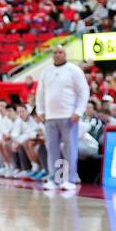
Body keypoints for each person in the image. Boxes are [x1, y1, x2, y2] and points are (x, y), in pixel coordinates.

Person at [35, 45, 89, 191]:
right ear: (52, 55)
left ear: (65, 54)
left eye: (60, 52)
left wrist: (78, 111)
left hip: (68, 116)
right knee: (52, 150)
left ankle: (70, 179)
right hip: (50, 117)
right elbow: (40, 93)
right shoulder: (46, 72)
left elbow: (84, 91)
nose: (58, 55)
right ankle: (55, 179)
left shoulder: (74, 70)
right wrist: (40, 110)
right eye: (55, 52)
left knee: (69, 149)